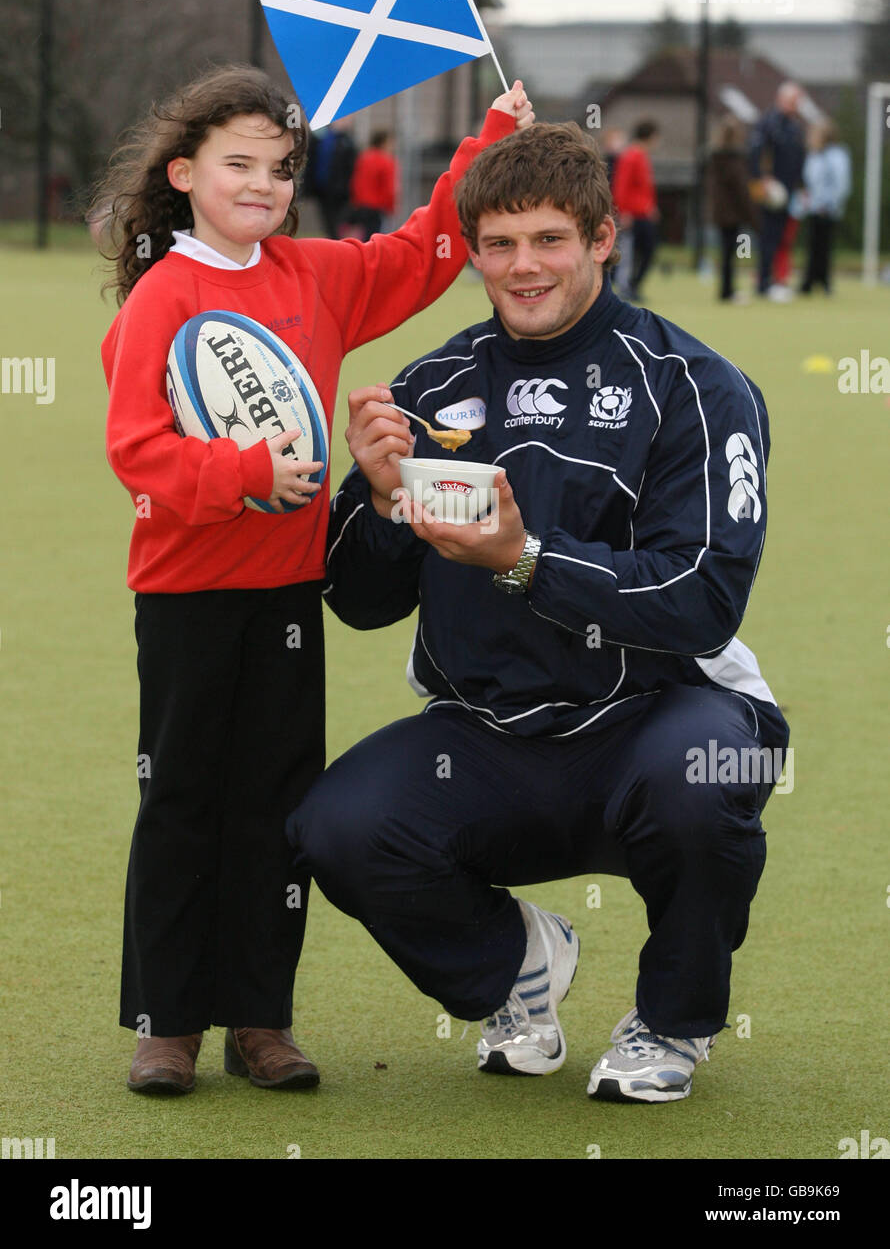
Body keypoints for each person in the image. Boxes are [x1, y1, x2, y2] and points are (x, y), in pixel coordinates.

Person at [287, 121, 789, 1105]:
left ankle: (671, 1020)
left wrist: (522, 558)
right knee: (337, 825)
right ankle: (512, 963)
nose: (523, 267)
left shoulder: (698, 387)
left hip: (658, 717)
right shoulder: (434, 384)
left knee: (702, 773)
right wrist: (379, 499)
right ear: (472, 251)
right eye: (500, 244)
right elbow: (359, 601)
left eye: (549, 239)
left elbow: (700, 599)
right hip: (486, 735)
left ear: (602, 237)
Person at [95, 62, 533, 1096]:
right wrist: (246, 473)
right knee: (183, 802)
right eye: (236, 164)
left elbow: (421, 254)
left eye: (280, 168)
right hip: (186, 596)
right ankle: (168, 1026)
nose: (261, 185)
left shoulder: (314, 274)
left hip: (287, 599)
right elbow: (136, 449)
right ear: (184, 173)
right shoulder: (165, 293)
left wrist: (488, 138)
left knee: (276, 807)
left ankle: (261, 1018)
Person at [747, 81, 806, 301]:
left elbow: (799, 160)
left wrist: (801, 186)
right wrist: (761, 179)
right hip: (771, 193)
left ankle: (775, 280)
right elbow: (755, 153)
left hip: (788, 193)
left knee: (782, 237)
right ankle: (763, 283)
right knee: (768, 237)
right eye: (793, 101)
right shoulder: (768, 124)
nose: (796, 105)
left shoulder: (795, 127)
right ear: (781, 100)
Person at [800, 119, 851, 294]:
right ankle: (810, 281)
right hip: (814, 207)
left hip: (827, 209)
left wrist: (829, 204)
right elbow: (810, 180)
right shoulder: (814, 155)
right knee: (813, 245)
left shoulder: (836, 156)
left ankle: (824, 282)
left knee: (823, 246)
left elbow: (841, 183)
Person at [611, 120, 659, 302]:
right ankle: (626, 287)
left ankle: (633, 285)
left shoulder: (642, 155)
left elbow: (644, 188)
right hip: (633, 214)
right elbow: (621, 186)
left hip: (644, 214)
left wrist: (651, 207)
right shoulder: (631, 156)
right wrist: (623, 211)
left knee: (648, 250)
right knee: (629, 252)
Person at [707, 114, 752, 302]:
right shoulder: (735, 161)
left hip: (720, 213)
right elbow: (741, 192)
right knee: (730, 254)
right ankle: (728, 291)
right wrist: (752, 216)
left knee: (726, 253)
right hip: (733, 214)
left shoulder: (714, 158)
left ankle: (726, 289)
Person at [344, 130, 399, 240]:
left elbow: (356, 182)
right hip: (378, 207)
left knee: (363, 240)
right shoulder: (386, 161)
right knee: (378, 240)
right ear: (384, 143)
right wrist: (391, 207)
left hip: (362, 204)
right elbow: (389, 189)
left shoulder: (364, 158)